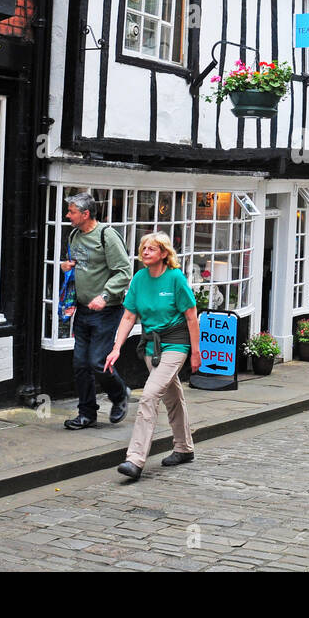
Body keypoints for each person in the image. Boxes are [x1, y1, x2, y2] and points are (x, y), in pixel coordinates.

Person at [110, 232, 198, 482]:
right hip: (151, 347)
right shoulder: (139, 278)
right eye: (144, 248)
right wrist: (117, 347)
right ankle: (184, 448)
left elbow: (191, 316)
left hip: (176, 344)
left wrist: (196, 353)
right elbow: (128, 316)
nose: (146, 252)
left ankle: (135, 459)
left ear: (163, 253)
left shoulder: (175, 279)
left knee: (149, 396)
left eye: (152, 248)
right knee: (173, 396)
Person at [60, 193, 132, 429]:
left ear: (85, 214)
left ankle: (120, 394)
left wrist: (104, 295)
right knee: (80, 364)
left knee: (97, 361)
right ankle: (87, 413)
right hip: (82, 310)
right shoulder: (74, 235)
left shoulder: (106, 236)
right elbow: (80, 264)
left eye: (71, 212)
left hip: (106, 311)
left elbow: (123, 271)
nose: (68, 216)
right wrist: (67, 267)